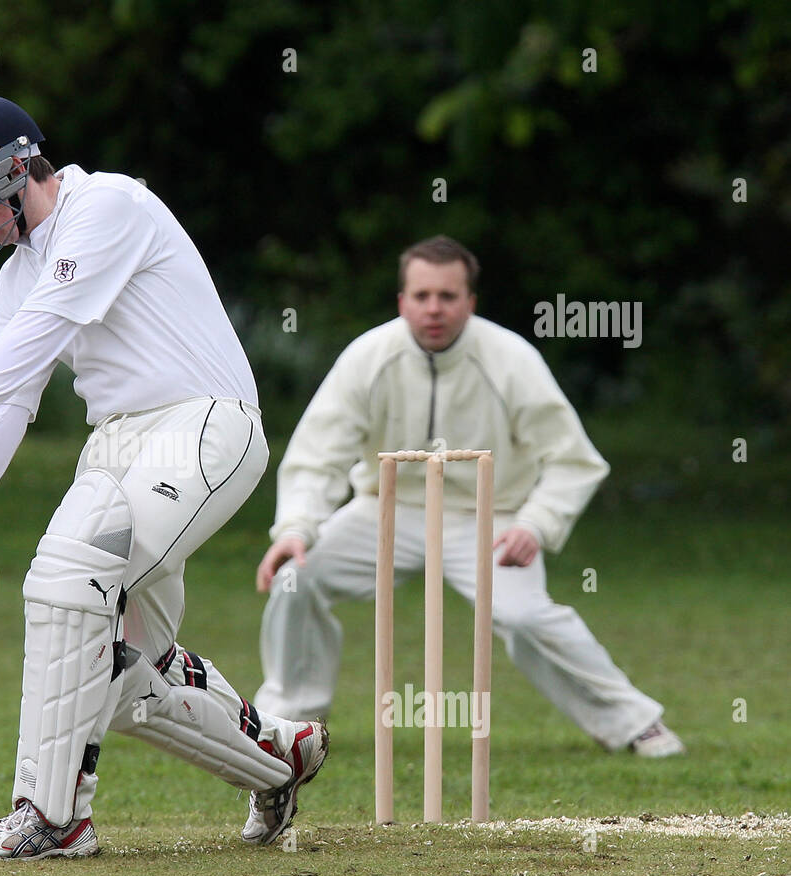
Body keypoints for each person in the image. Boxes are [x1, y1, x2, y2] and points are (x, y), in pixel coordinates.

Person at [0, 94, 327, 861]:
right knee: (123, 665)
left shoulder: (108, 203)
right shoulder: (15, 278)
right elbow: (13, 396)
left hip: (202, 426)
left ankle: (52, 817)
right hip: (115, 446)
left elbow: (42, 333)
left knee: (66, 582)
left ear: (15, 168)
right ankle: (280, 758)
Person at [254, 235, 683, 763]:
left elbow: (574, 460)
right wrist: (296, 529)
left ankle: (635, 722)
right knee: (297, 576)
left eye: (448, 296)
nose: (434, 308)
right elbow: (318, 455)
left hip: (489, 517)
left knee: (526, 618)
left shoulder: (510, 360)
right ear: (402, 301)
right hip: (386, 510)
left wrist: (536, 525)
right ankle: (290, 724)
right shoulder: (369, 357)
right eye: (422, 295)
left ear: (470, 302)